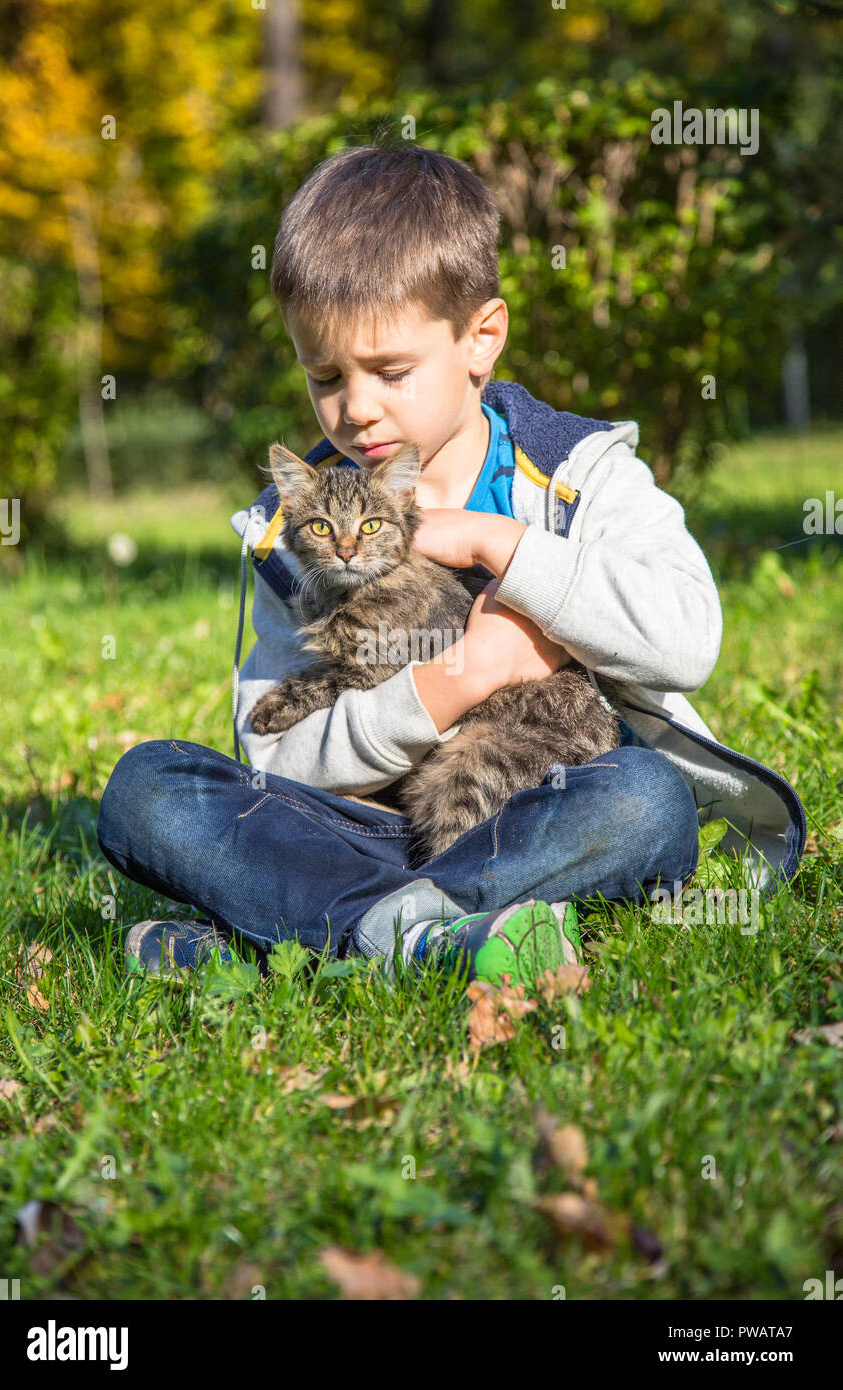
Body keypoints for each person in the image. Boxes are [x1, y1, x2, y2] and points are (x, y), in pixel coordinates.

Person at [96, 144, 805, 992]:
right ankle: (433, 932)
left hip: (540, 812)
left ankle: (314, 934)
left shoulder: (581, 470)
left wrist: (498, 547)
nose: (356, 408)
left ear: (482, 338)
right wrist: (456, 681)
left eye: (391, 372)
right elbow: (274, 759)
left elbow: (688, 641)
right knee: (149, 788)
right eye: (324, 376)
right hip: (357, 823)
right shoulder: (295, 528)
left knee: (643, 802)